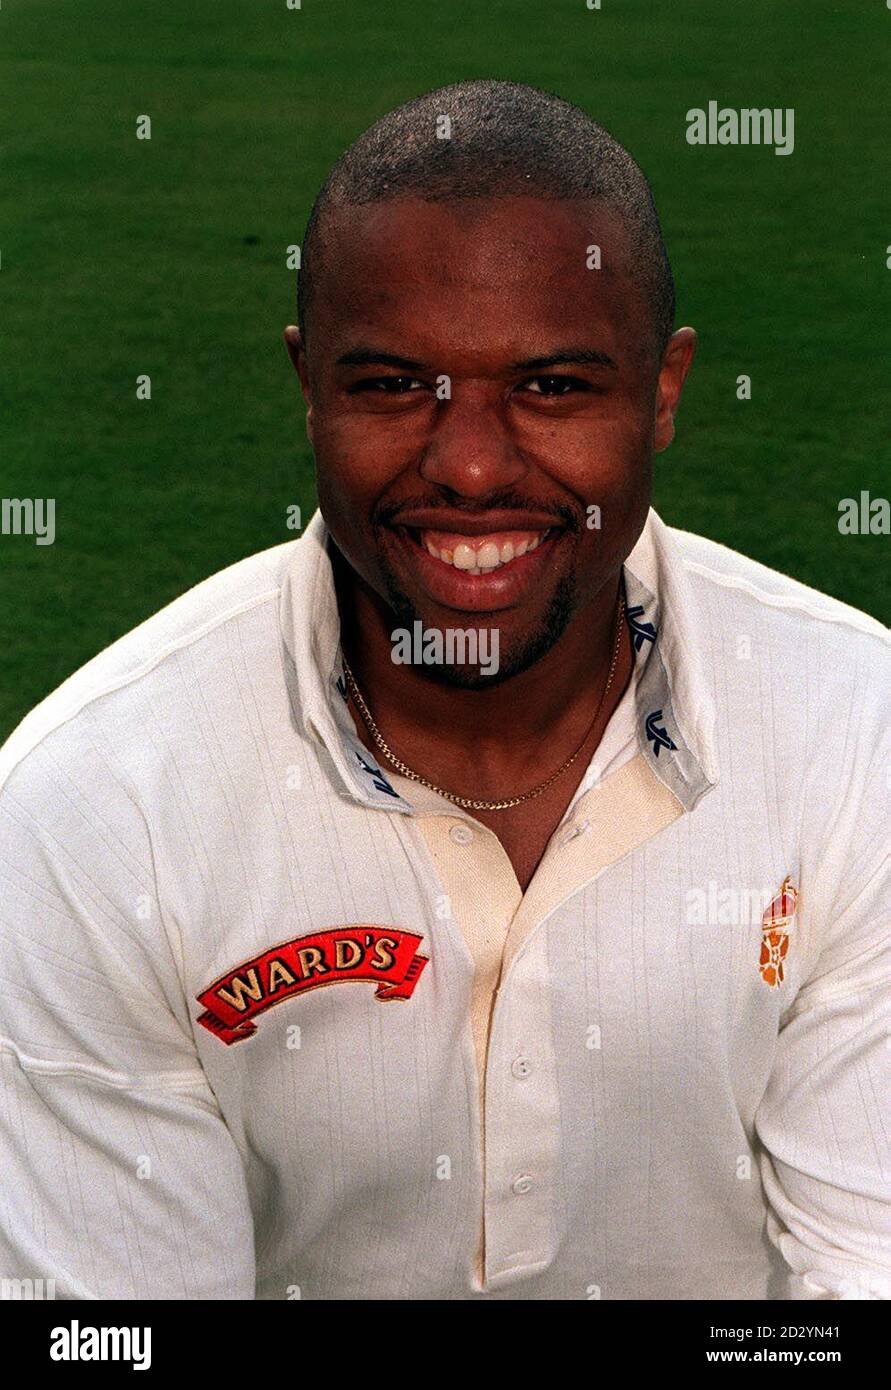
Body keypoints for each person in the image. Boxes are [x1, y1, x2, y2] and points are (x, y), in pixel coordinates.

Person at [0, 80, 888, 1301]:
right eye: (390, 386)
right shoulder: (89, 806)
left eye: (554, 387)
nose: (469, 464)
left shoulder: (857, 726)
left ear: (665, 391)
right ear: (309, 385)